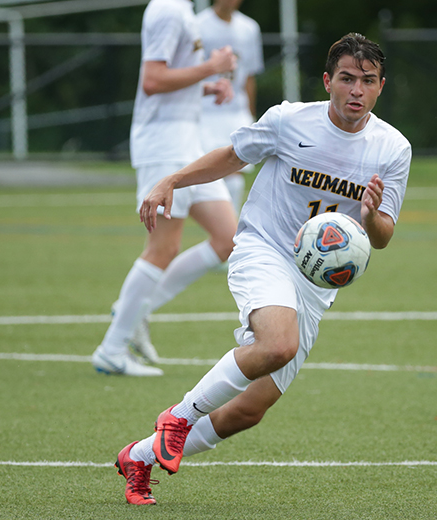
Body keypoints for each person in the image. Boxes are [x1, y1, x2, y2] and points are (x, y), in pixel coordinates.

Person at [113, 33, 411, 505]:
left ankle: (140, 457)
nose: (357, 90)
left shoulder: (392, 148)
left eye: (368, 81)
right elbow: (232, 156)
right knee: (277, 344)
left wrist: (373, 213)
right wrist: (172, 179)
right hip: (264, 247)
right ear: (328, 81)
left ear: (380, 87)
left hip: (315, 281)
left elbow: (383, 236)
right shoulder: (290, 120)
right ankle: (179, 417)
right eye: (348, 78)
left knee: (247, 411)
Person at [90, 0, 239, 376]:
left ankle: (134, 309)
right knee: (164, 247)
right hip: (165, 147)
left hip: (187, 141)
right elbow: (153, 80)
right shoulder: (170, 10)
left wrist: (207, 87)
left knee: (228, 238)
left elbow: (168, 78)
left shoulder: (181, 9)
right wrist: (212, 67)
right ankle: (112, 348)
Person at [196, 0, 264, 216]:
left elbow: (249, 75)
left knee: (236, 174)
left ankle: (230, 232)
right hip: (207, 111)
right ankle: (222, 231)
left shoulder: (249, 28)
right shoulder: (199, 25)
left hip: (236, 112)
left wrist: (250, 112)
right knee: (210, 175)